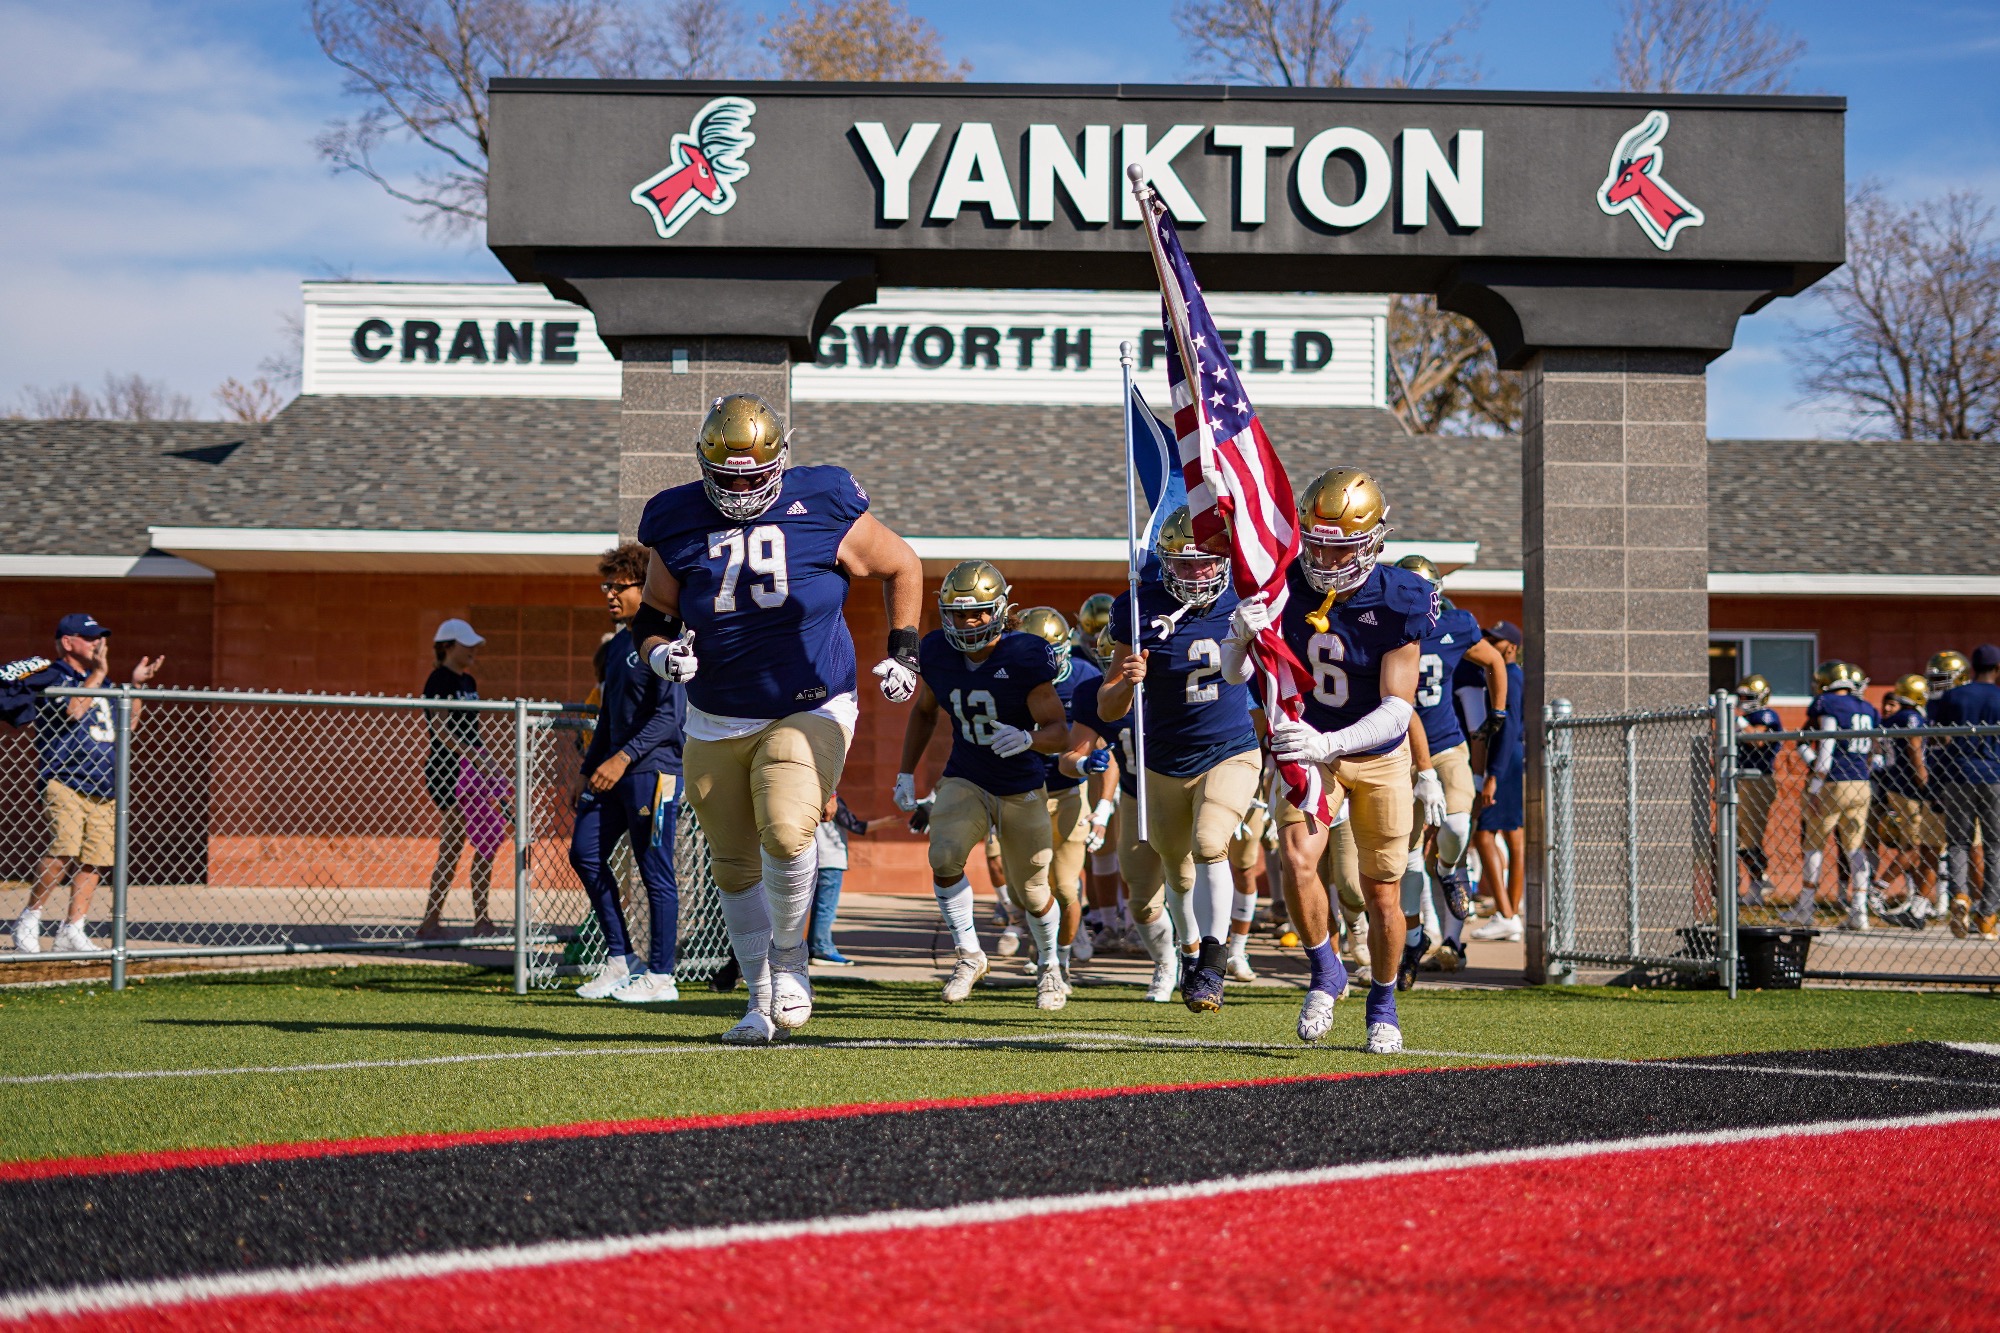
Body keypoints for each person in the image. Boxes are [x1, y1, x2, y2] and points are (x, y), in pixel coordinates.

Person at [634, 393, 923, 1044]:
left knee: (789, 830)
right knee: (733, 867)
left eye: (754, 477)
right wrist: (658, 656)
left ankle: (791, 957)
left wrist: (904, 650)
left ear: (781, 460)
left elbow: (902, 563)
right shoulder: (675, 517)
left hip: (810, 700)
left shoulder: (823, 499)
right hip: (715, 713)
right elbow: (653, 613)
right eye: (728, 478)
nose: (741, 490)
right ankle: (760, 1002)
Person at [1239, 469, 1434, 1053]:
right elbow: (1243, 674)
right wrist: (1236, 639)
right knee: (1297, 857)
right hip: (1309, 742)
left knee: (1381, 893)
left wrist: (1328, 744)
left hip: (1376, 754)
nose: (1324, 559)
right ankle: (1326, 971)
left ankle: (1383, 1002)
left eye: (1341, 547)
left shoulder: (1402, 595)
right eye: (1316, 544)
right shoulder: (1283, 586)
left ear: (1374, 540)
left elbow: (1398, 709)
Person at [1099, 505, 1264, 1014]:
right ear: (1166, 563)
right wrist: (1127, 682)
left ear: (1224, 560)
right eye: (1184, 562)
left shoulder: (1248, 599)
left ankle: (1213, 963)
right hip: (1163, 760)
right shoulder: (1139, 606)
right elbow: (1107, 707)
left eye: (1206, 560)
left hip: (1230, 749)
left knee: (1210, 842)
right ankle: (1190, 952)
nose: (1197, 572)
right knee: (1178, 871)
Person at [894, 560, 1073, 1010]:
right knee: (944, 855)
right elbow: (924, 711)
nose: (967, 622)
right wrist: (905, 771)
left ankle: (1050, 965)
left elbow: (1060, 732)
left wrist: (1029, 738)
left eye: (977, 612)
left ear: (1000, 611)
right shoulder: (936, 651)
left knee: (1032, 891)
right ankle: (970, 954)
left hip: (1020, 783)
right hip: (967, 774)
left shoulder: (1024, 654)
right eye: (957, 613)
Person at [572, 544, 688, 1003]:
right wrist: (586, 770)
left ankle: (662, 977)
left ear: (647, 587)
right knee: (584, 853)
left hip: (653, 772)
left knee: (654, 871)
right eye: (607, 586)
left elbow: (670, 717)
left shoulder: (668, 642)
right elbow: (607, 718)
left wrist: (622, 758)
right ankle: (622, 959)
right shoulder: (620, 643)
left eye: (619, 586)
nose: (609, 594)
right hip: (611, 774)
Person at [8, 614, 162, 954]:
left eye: (99, 637)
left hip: (104, 784)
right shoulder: (55, 676)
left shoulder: (104, 683)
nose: (97, 643)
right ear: (68, 642)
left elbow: (129, 725)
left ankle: (72, 928)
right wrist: (100, 673)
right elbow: (74, 710)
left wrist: (136, 687)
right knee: (64, 848)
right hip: (65, 779)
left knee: (95, 859)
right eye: (89, 637)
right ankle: (29, 918)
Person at [1392, 555, 1508, 980]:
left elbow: (1494, 661)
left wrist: (1499, 711)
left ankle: (1447, 871)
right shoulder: (1381, 626)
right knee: (1405, 856)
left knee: (1458, 827)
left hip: (1445, 746)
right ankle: (1413, 940)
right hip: (1397, 752)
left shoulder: (1456, 624)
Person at [1017, 606, 1106, 978]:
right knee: (1030, 884)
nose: (1047, 662)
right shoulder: (1012, 677)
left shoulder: (1086, 678)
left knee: (1066, 887)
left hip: (1071, 790)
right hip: (1024, 792)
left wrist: (1103, 807)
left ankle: (1062, 960)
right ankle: (1043, 949)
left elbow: (1103, 746)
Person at [418, 619, 503, 939]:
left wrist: (486, 761)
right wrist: (473, 755)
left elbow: (472, 731)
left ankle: (482, 919)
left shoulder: (468, 681)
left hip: (473, 769)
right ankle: (430, 921)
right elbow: (440, 729)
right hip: (447, 770)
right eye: (467, 645)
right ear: (448, 647)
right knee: (453, 844)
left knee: (486, 840)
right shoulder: (439, 679)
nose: (473, 651)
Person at [1784, 661, 1881, 930]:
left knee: (1813, 844)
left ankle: (1806, 907)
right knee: (1855, 847)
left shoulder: (1828, 704)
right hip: (1861, 781)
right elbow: (1874, 751)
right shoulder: (1867, 707)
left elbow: (1826, 746)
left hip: (1834, 781)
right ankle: (1859, 910)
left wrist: (1816, 786)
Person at [1931, 644, 2000, 940]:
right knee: (1994, 846)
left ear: (1972, 667)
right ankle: (1988, 915)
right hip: (1994, 773)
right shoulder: (1998, 695)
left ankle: (1960, 896)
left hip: (1958, 773)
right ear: (1997, 669)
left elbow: (1937, 732)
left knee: (1958, 842)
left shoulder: (1955, 695)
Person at [1468, 623, 1527, 943]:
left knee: (1485, 834)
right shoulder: (1506, 674)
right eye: (1488, 637)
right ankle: (1511, 913)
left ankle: (1506, 915)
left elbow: (1508, 727)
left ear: (1512, 647)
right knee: (1514, 835)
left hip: (1504, 759)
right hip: (1511, 758)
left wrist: (1492, 775)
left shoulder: (1510, 676)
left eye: (1497, 640)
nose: (1490, 642)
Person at [1874, 675, 1940, 928]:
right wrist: (1924, 780)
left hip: (1895, 783)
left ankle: (1919, 903)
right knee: (1914, 845)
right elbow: (1915, 748)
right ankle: (1878, 890)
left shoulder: (1894, 717)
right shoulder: (1911, 717)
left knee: (1916, 844)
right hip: (1908, 786)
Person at [809, 792, 896, 964]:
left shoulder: (804, 795)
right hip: (830, 860)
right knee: (825, 909)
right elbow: (854, 825)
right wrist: (884, 823)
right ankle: (822, 949)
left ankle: (814, 948)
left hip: (812, 859)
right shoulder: (831, 797)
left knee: (817, 908)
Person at [1732, 675, 1784, 908]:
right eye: (1741, 697)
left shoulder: (1766, 716)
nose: (1743, 701)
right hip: (1742, 779)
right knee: (1734, 836)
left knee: (1749, 838)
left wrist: (1738, 722)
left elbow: (1757, 740)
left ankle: (1759, 882)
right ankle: (1751, 883)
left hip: (1758, 780)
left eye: (1748, 697)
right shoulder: (1744, 718)